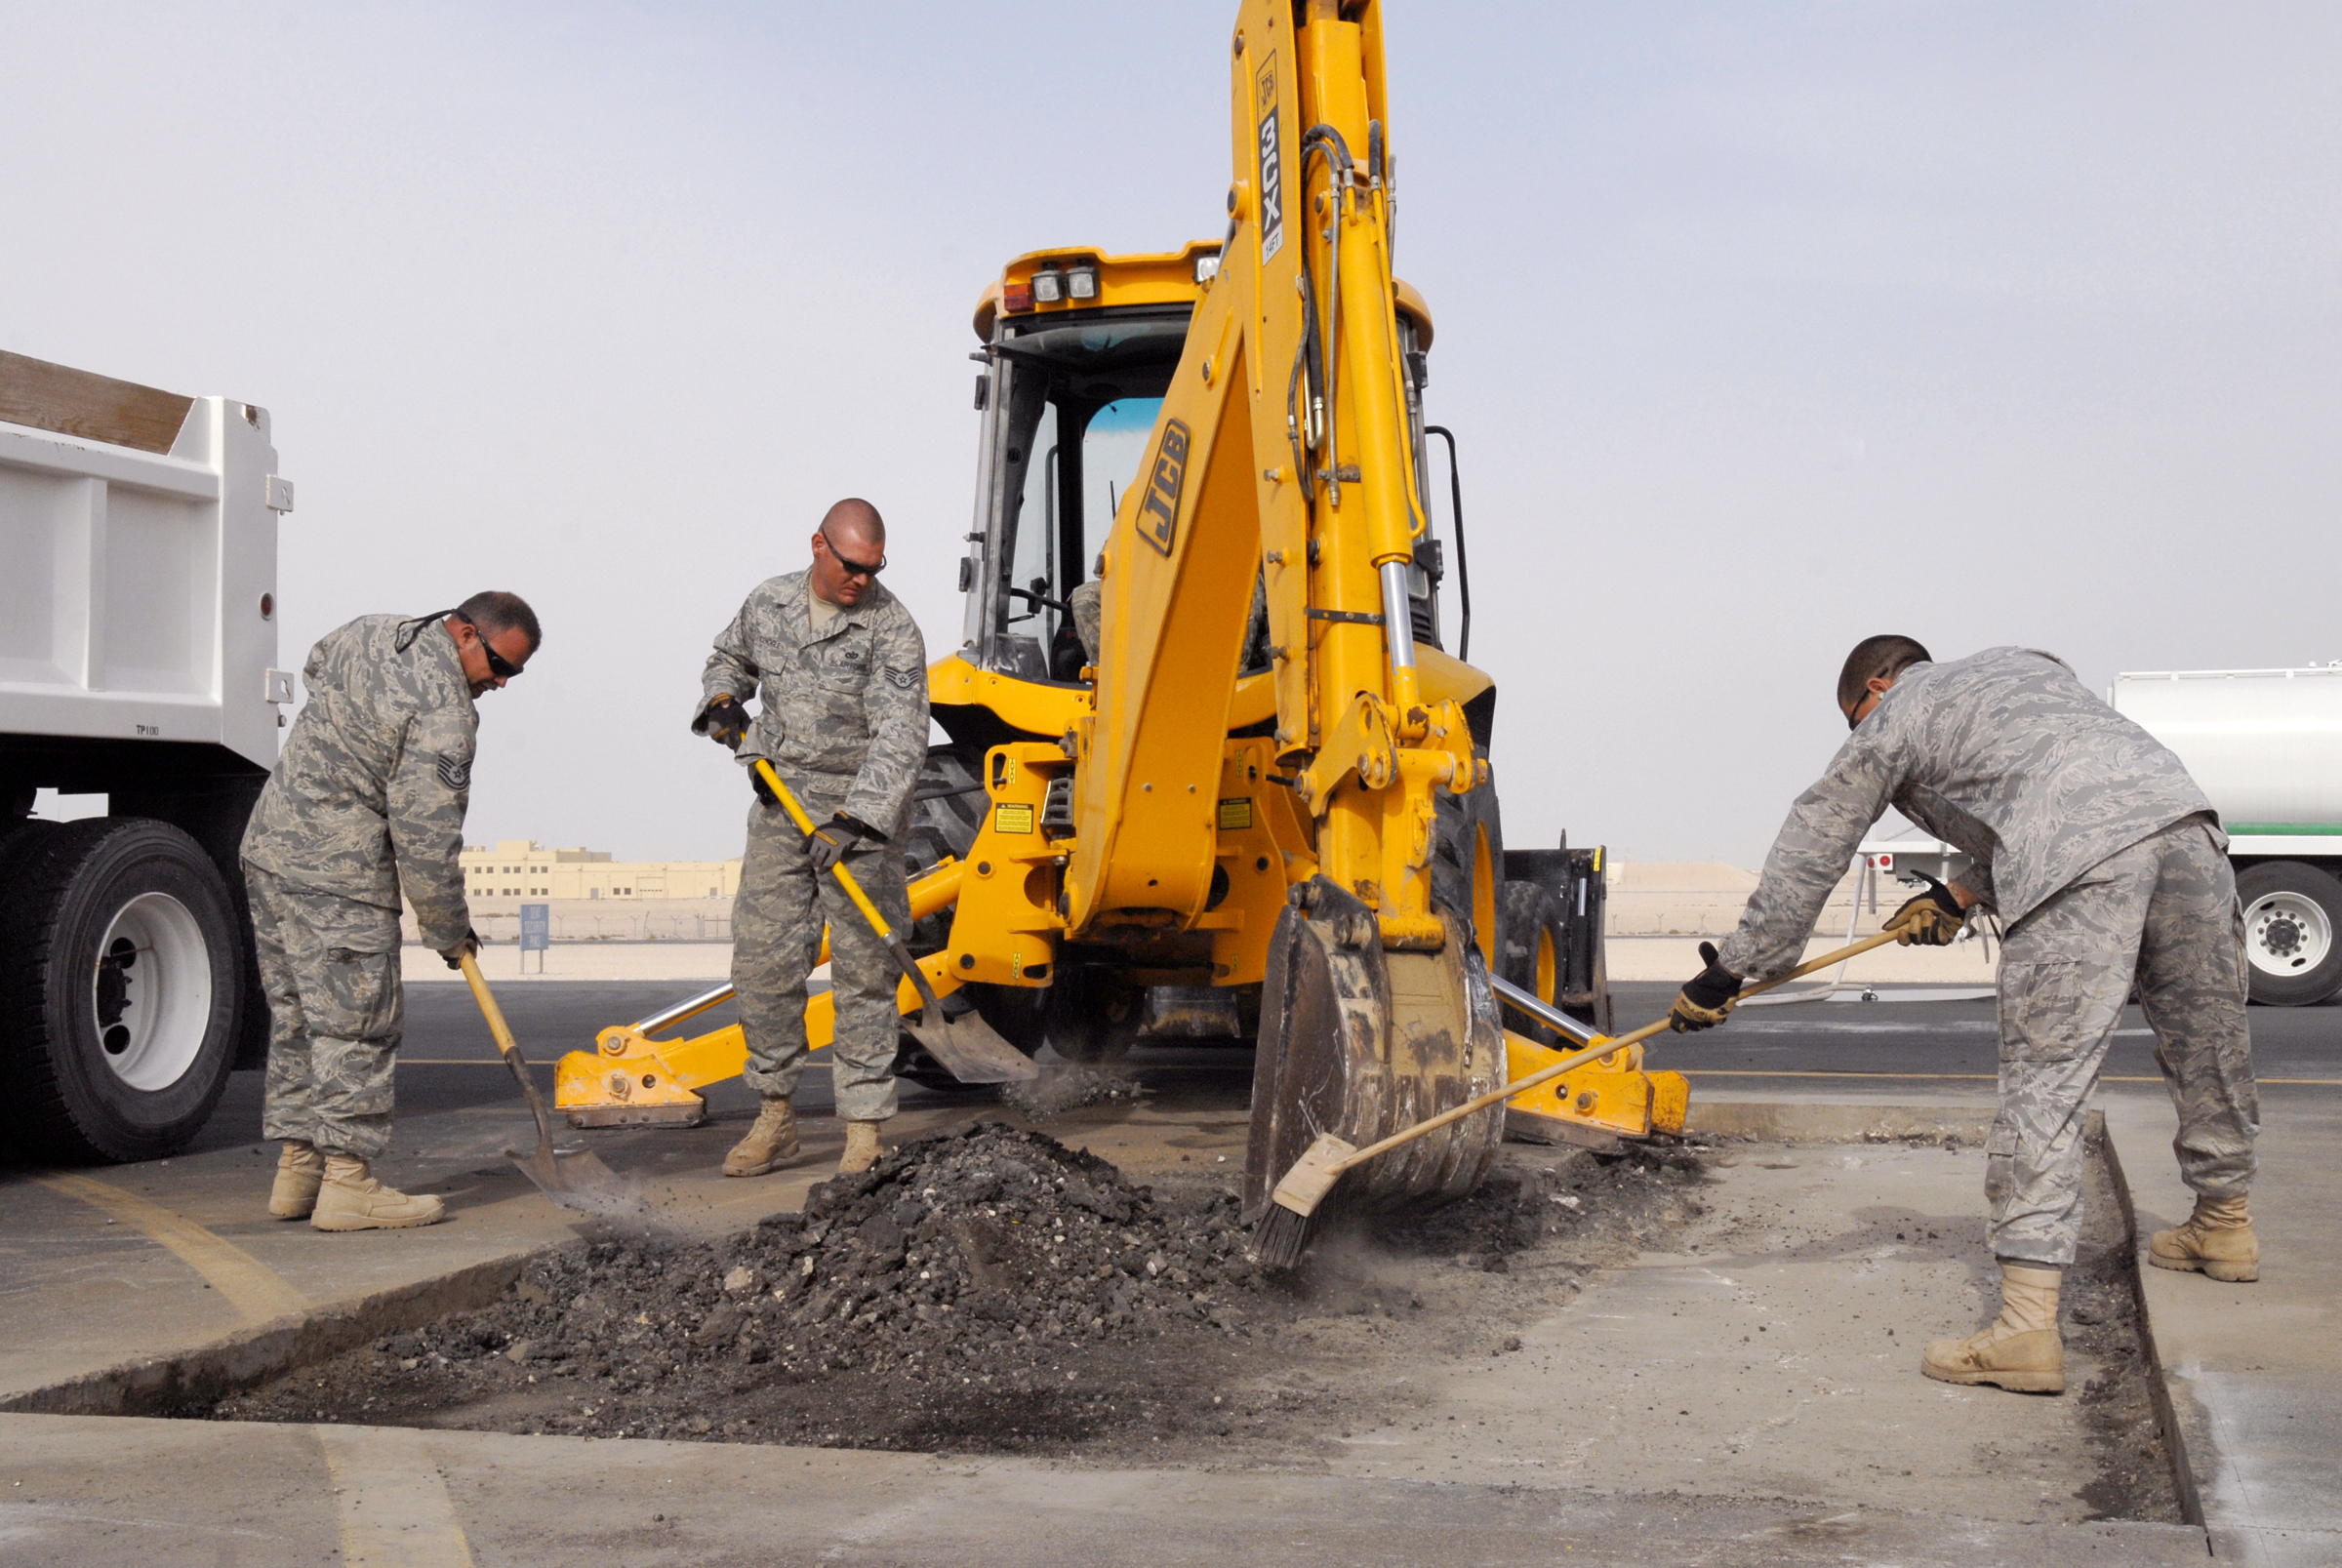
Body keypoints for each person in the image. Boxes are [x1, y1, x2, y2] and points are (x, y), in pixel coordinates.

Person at [1671, 636, 2259, 1394]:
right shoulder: (2022, 670)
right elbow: (2050, 792)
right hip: (2185, 822)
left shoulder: (1897, 713)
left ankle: (2023, 1328)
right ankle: (2224, 1220)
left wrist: (1734, 967)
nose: (1859, 735)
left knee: (2046, 1080)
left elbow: (1818, 834)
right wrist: (1956, 895)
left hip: (2082, 859)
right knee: (2207, 1037)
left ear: (1877, 686)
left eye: (1854, 719)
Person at [241, 592, 540, 1230]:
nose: (501, 681)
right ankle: (347, 1186)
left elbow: (319, 666)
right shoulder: (446, 713)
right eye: (497, 663)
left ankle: (299, 1174)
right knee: (356, 1028)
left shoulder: (376, 630)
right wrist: (448, 927)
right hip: (338, 875)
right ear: (464, 632)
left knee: (300, 1021)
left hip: (270, 850)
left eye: (514, 672)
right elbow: (426, 836)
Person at [693, 498, 927, 1178]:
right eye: (850, 564)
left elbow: (901, 733)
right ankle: (776, 1116)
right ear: (818, 545)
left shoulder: (891, 628)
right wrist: (722, 702)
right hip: (781, 808)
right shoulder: (768, 603)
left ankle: (862, 1128)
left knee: (863, 973)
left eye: (873, 567)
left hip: (858, 820)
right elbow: (725, 658)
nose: (860, 579)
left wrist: (855, 819)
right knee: (763, 963)